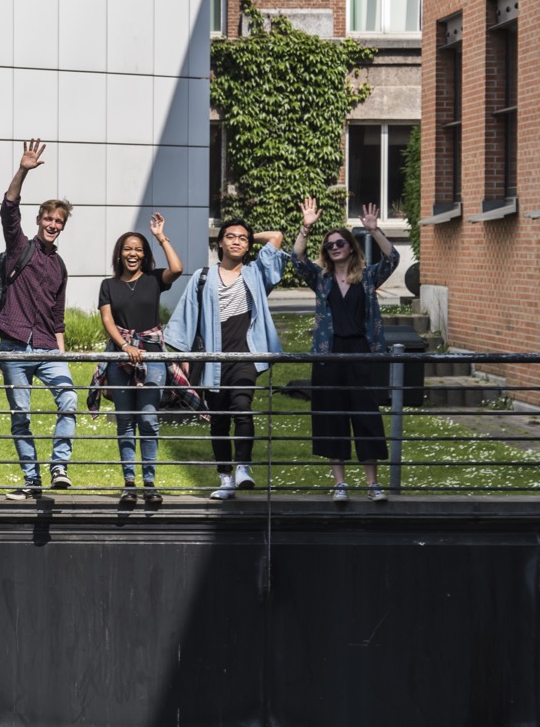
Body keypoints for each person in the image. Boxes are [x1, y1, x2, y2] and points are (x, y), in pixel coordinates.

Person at [163, 217, 287, 500]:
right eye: (230, 237)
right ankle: (225, 478)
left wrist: (249, 235)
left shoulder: (256, 273)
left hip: (245, 355)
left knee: (242, 407)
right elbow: (186, 316)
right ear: (219, 242)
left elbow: (276, 237)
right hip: (212, 360)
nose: (237, 242)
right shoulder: (203, 276)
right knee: (219, 420)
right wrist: (185, 357)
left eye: (242, 239)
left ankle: (243, 466)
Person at [293, 197, 400, 504]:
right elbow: (297, 261)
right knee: (332, 417)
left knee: (366, 416)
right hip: (328, 355)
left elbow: (392, 260)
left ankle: (372, 484)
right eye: (330, 245)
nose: (335, 248)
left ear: (351, 246)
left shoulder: (366, 278)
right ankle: (340, 484)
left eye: (340, 243)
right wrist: (306, 227)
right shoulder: (322, 279)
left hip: (360, 352)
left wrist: (375, 230)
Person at [0, 137, 75, 500]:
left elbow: (58, 318)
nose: (53, 224)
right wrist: (22, 171)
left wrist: (63, 355)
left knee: (69, 398)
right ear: (39, 220)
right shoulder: (20, 248)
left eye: (59, 221)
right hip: (14, 343)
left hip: (46, 345)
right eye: (48, 218)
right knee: (22, 416)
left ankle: (59, 466)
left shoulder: (59, 265)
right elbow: (8, 208)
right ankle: (31, 481)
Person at [98, 217, 183, 507]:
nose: (132, 254)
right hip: (121, 358)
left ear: (144, 254)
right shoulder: (108, 285)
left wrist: (161, 237)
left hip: (153, 357)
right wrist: (124, 346)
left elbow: (178, 269)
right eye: (127, 249)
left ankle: (149, 482)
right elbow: (107, 319)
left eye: (137, 249)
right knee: (125, 422)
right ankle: (129, 484)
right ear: (119, 254)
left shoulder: (153, 280)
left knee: (148, 419)